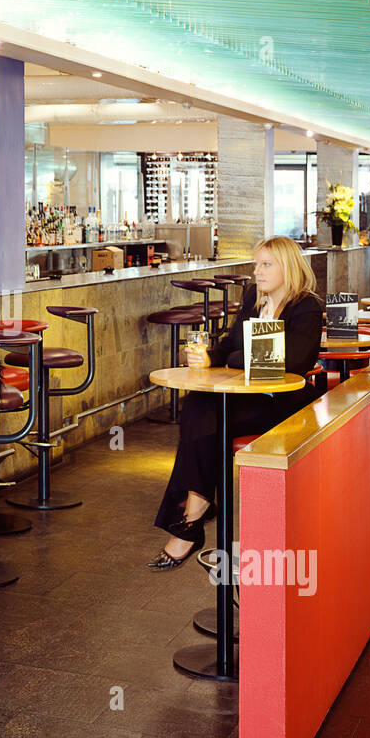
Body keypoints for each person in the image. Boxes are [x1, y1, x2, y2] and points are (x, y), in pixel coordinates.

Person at [149, 236, 324, 569]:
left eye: (265, 265)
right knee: (198, 406)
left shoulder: (307, 306)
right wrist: (209, 356)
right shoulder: (252, 298)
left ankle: (191, 519)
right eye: (256, 264)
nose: (256, 272)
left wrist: (233, 358)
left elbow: (296, 361)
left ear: (287, 267)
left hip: (284, 403)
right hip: (247, 397)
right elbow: (231, 342)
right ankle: (194, 512)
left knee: (206, 419)